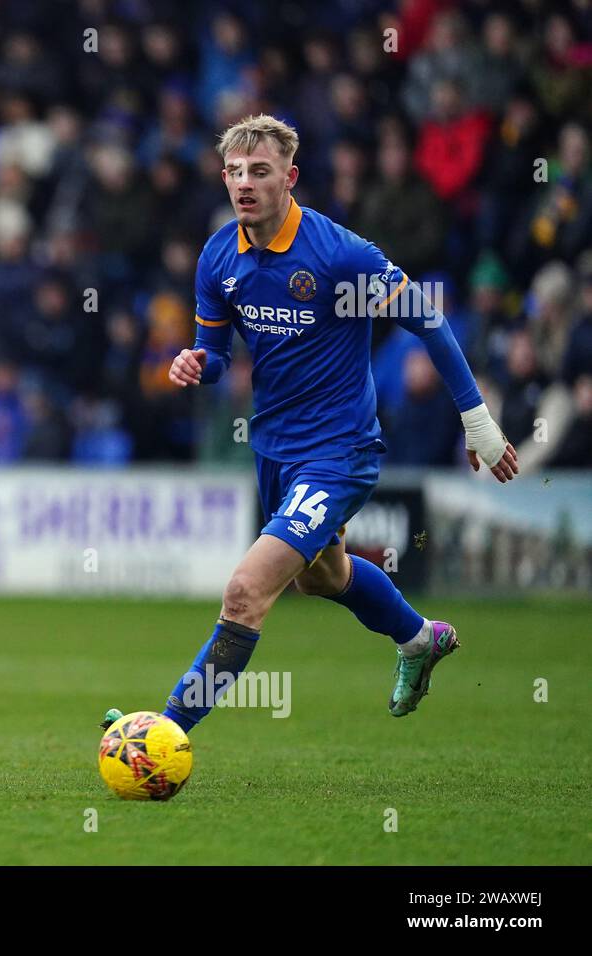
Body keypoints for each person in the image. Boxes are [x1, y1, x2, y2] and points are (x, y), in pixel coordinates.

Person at [149, 115, 517, 735]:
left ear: (290, 178)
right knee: (324, 578)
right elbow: (214, 357)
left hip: (338, 450)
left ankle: (163, 731)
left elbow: (425, 318)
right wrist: (196, 362)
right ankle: (419, 638)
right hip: (274, 447)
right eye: (235, 172)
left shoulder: (337, 254)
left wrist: (476, 418)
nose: (245, 183)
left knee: (245, 590)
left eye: (259, 171)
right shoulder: (218, 256)